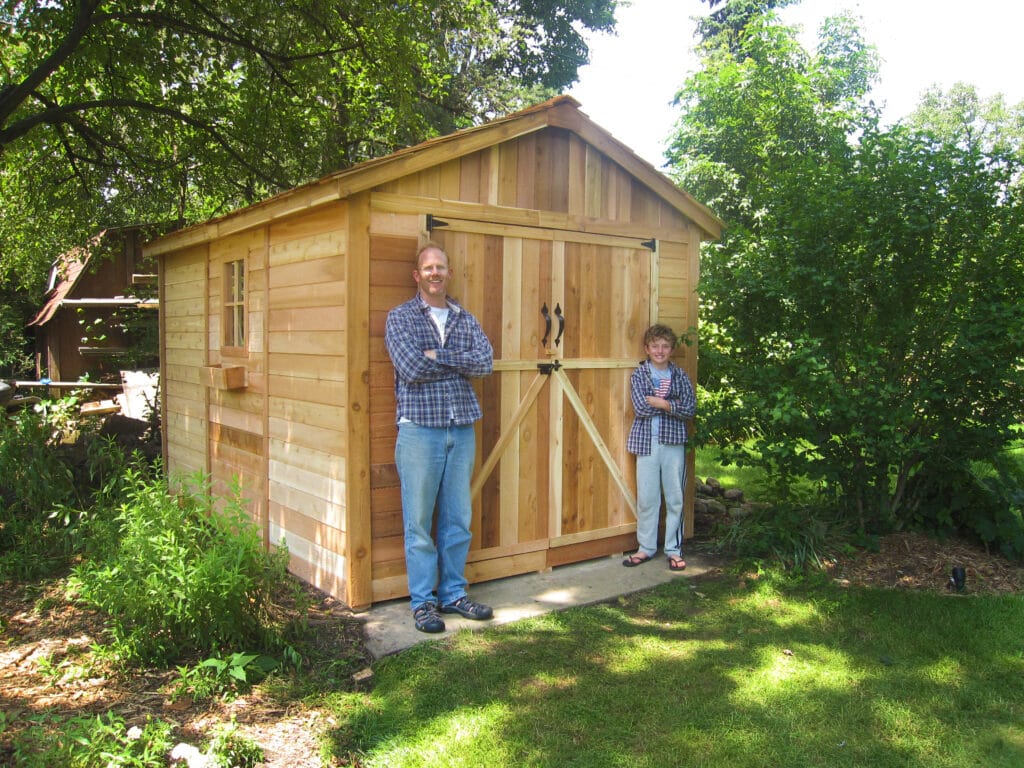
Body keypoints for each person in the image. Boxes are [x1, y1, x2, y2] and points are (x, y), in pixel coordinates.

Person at [384, 243, 495, 633]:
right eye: (428, 267)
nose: (435, 273)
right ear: (417, 275)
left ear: (449, 273)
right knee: (418, 522)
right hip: (419, 429)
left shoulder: (465, 318)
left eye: (441, 267)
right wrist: (456, 361)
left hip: (461, 427)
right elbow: (411, 368)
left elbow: (485, 363)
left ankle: (453, 594)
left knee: (458, 519)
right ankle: (423, 603)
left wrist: (438, 355)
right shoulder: (400, 318)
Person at [623, 324, 697, 571]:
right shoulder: (640, 375)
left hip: (673, 443)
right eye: (655, 346)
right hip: (646, 444)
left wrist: (661, 403)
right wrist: (672, 404)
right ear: (647, 348)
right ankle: (646, 548)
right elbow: (641, 408)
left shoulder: (680, 376)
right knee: (648, 499)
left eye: (665, 346)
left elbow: (689, 409)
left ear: (672, 349)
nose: (660, 351)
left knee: (675, 498)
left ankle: (674, 550)